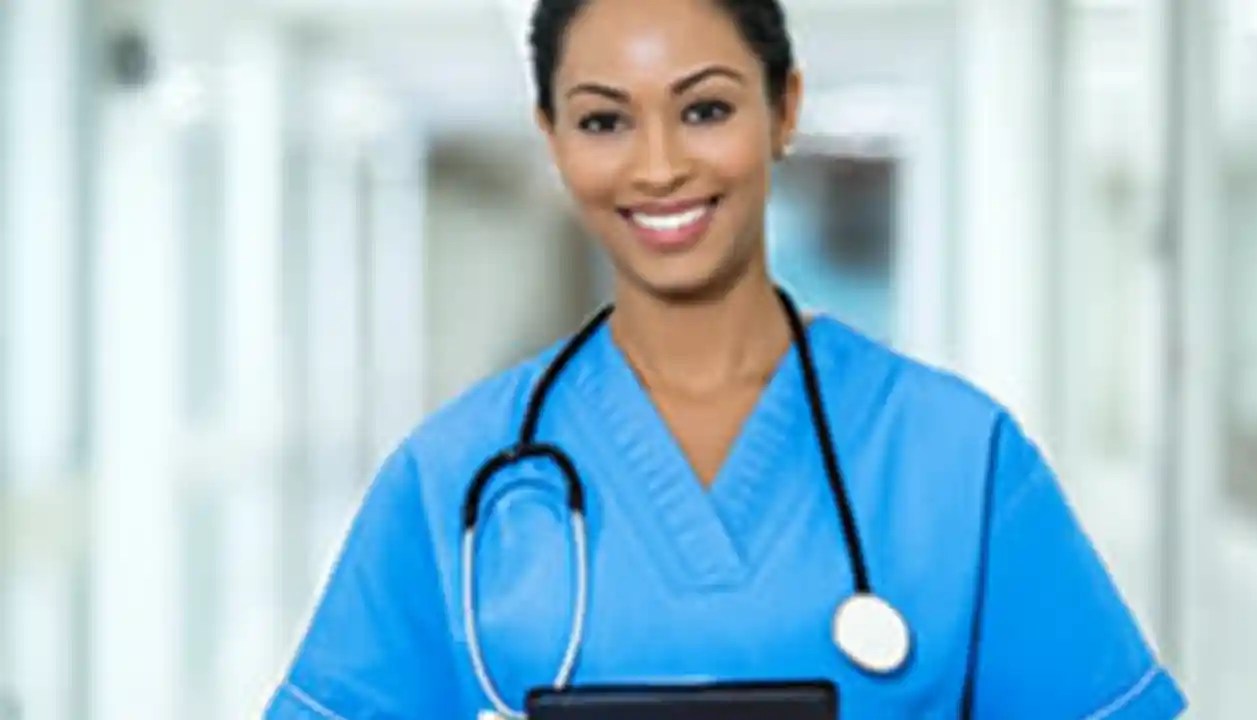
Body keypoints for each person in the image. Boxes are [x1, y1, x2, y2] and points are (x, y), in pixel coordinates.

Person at [265, 0, 1187, 717]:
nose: (659, 166)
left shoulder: (955, 456)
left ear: (785, 108)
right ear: (552, 139)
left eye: (704, 109)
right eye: (603, 122)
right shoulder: (454, 473)